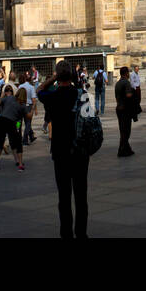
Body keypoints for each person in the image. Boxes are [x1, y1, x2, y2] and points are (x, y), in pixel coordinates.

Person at [38, 62, 89, 240]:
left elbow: (39, 90)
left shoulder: (52, 97)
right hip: (80, 152)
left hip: (60, 152)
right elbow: (90, 121)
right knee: (81, 196)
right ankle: (81, 234)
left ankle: (66, 234)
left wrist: (52, 78)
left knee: (64, 197)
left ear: (58, 77)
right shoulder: (82, 95)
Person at [0, 84, 25, 172]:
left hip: (1, 121)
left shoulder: (5, 98)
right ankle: (19, 163)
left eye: (8, 91)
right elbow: (20, 119)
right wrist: (18, 129)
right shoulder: (19, 103)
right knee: (14, 142)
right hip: (10, 122)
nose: (8, 93)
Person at [114, 66, 135, 156]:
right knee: (126, 131)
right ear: (126, 73)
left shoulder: (117, 83)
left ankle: (127, 149)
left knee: (123, 130)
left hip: (119, 108)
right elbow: (129, 95)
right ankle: (121, 150)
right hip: (125, 109)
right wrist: (134, 92)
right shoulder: (126, 83)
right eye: (128, 72)